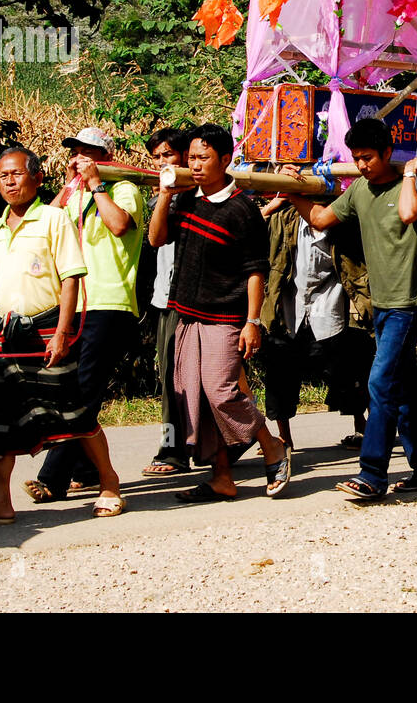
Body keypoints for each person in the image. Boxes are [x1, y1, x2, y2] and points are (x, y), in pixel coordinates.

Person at [0, 146, 119, 526]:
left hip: (46, 330)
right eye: (3, 175)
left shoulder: (54, 219)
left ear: (38, 178)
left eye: (17, 173)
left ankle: (109, 483)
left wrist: (62, 333)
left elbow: (72, 277)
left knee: (73, 413)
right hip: (4, 339)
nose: (10, 181)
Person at [281, 118, 417, 501]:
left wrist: (406, 174)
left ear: (387, 152)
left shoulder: (409, 184)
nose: (362, 165)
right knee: (405, 392)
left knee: (379, 384)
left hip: (407, 303)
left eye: (368, 157)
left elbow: (408, 214)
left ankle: (372, 474)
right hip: (382, 305)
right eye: (356, 159)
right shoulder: (357, 191)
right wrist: (292, 192)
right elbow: (320, 219)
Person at [148, 124, 291, 501]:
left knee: (222, 391)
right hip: (186, 314)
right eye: (191, 157)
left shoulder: (242, 209)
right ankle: (221, 478)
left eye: (203, 158)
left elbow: (256, 271)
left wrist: (252, 321)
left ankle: (271, 444)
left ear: (225, 160)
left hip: (224, 317)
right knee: (198, 399)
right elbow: (156, 238)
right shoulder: (185, 200)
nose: (194, 165)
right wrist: (164, 195)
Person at [22, 128, 137, 513]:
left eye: (90, 153)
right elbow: (47, 224)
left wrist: (96, 184)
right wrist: (72, 187)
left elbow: (120, 225)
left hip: (110, 303)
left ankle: (52, 478)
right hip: (73, 306)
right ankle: (87, 469)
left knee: (83, 392)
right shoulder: (73, 197)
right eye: (76, 153)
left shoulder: (122, 189)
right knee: (69, 387)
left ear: (106, 156)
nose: (81, 159)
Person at [259, 178, 373, 449]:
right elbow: (248, 227)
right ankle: (284, 439)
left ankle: (361, 427)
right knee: (280, 375)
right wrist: (277, 201)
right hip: (289, 311)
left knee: (348, 370)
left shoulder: (344, 225)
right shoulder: (283, 220)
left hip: (328, 309)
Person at [141, 127, 194, 478]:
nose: (162, 163)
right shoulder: (160, 199)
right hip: (166, 298)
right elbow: (156, 238)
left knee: (203, 381)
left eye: (168, 156)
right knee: (169, 381)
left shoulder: (203, 197)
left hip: (197, 301)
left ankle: (234, 437)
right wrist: (163, 195)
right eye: (156, 157)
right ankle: (172, 446)